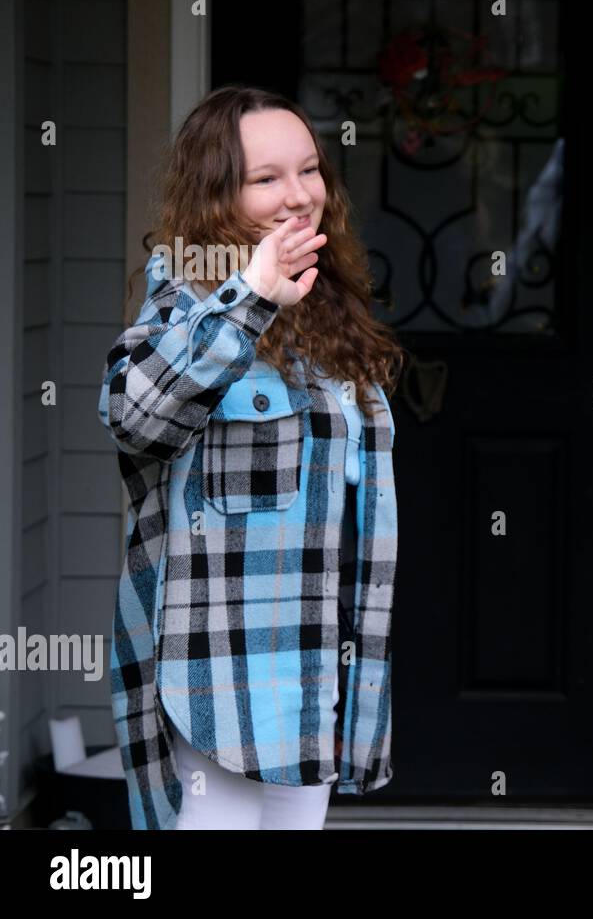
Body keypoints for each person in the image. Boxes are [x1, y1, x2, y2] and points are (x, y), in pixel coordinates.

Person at [98, 86, 405, 829]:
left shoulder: (329, 313)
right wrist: (253, 294)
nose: (299, 197)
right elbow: (132, 416)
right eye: (267, 178)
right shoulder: (189, 301)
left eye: (309, 171)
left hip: (311, 674)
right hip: (211, 680)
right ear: (216, 195)